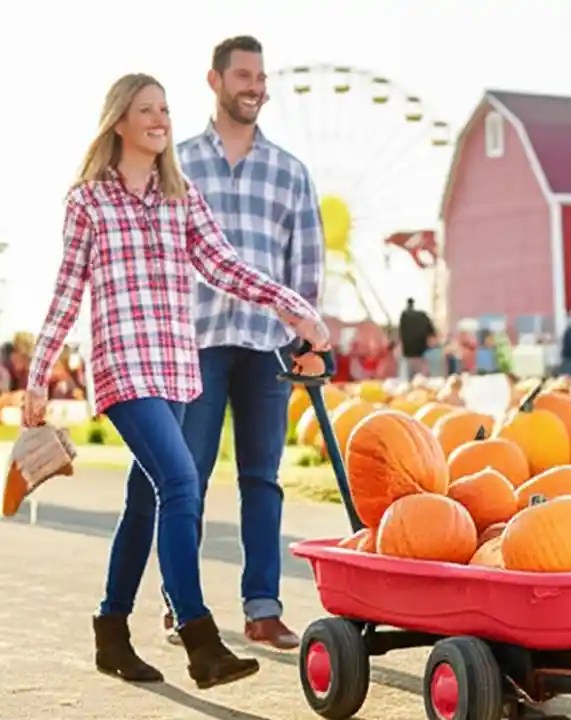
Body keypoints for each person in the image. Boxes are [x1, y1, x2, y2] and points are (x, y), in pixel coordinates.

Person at [22, 73, 329, 688]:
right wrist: (38, 374)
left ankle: (110, 631)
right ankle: (199, 637)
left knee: (145, 501)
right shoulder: (88, 202)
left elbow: (223, 264)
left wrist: (288, 304)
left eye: (164, 108)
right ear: (120, 123)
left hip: (176, 367)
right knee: (183, 484)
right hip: (121, 366)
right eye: (147, 110)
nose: (161, 119)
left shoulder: (180, 195)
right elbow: (67, 290)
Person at [166, 35, 325, 650]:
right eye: (243, 75)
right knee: (187, 478)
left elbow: (305, 266)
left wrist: (306, 336)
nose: (255, 85)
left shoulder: (290, 172)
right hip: (195, 342)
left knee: (262, 477)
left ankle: (263, 608)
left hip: (268, 347)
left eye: (261, 75)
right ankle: (184, 607)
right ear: (215, 81)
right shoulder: (176, 167)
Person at [398, 298, 435, 380]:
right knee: (422, 383)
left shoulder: (404, 316)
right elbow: (432, 337)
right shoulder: (423, 316)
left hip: (407, 355)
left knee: (407, 383)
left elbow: (400, 335)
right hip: (421, 355)